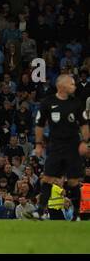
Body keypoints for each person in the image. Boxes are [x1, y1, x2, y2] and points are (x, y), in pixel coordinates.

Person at [33, 73, 89, 220]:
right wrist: (38, 144)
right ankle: (39, 211)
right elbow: (39, 125)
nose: (74, 86)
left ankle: (77, 213)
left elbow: (84, 125)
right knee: (48, 178)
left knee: (73, 181)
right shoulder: (47, 102)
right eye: (71, 84)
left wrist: (84, 142)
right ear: (61, 86)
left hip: (73, 146)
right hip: (56, 146)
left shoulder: (76, 103)